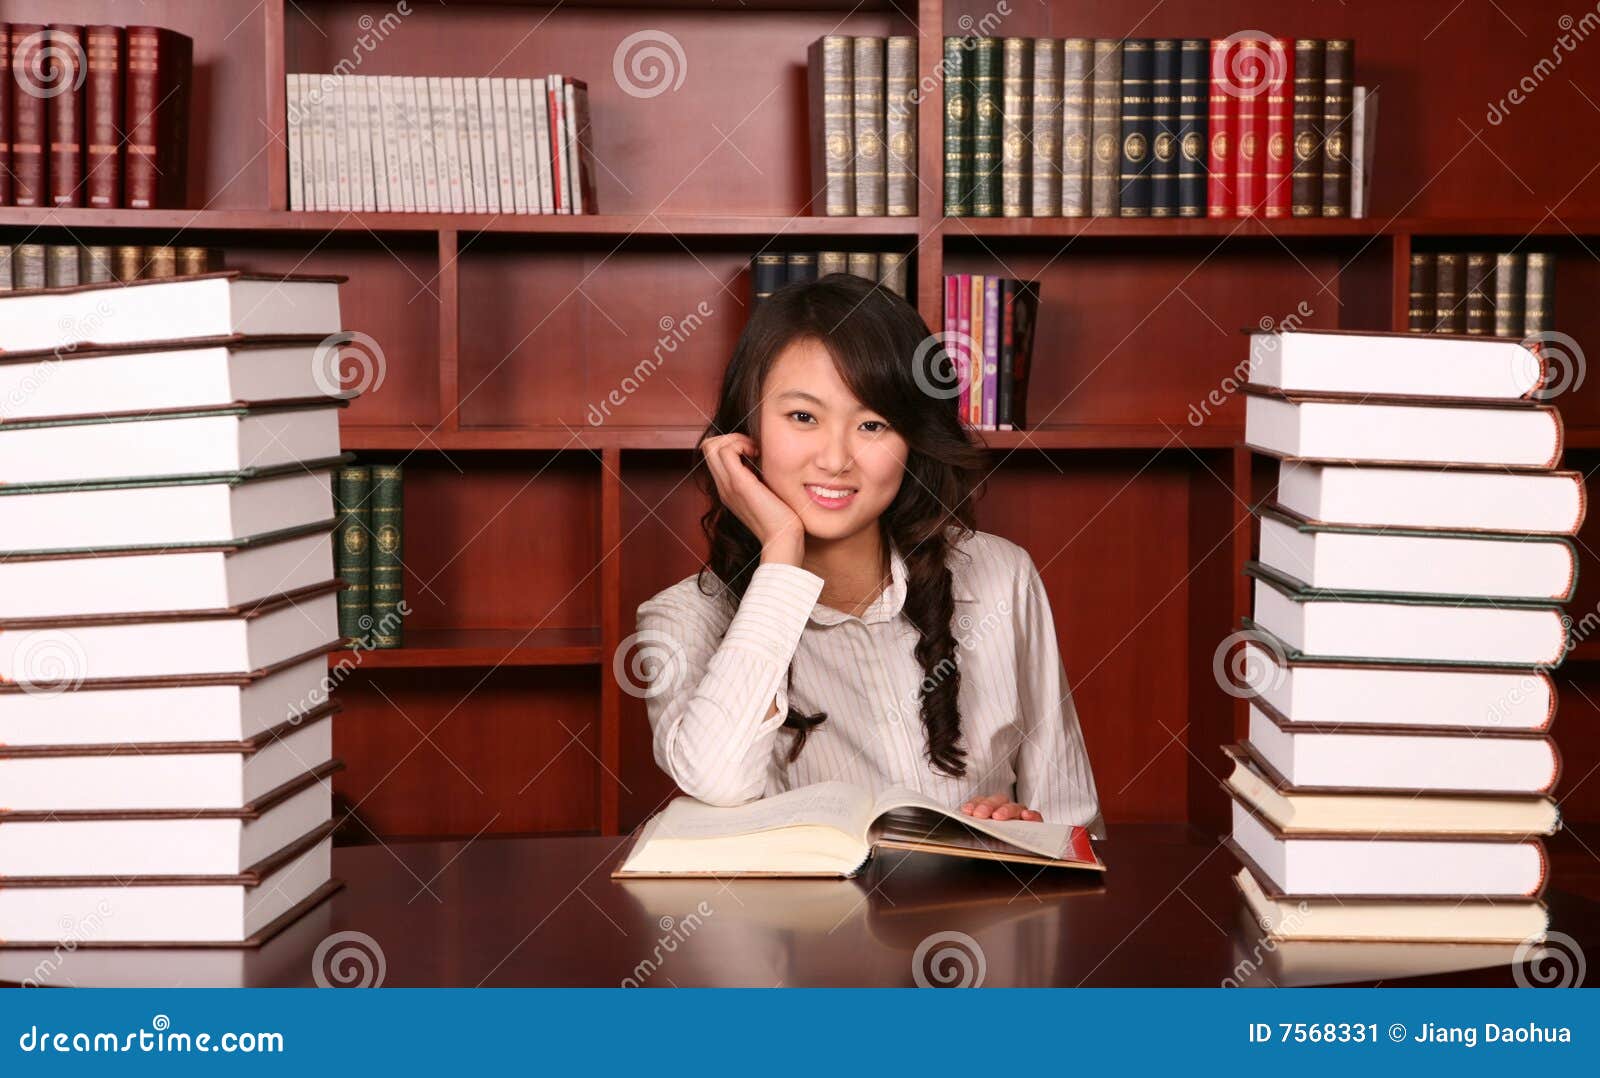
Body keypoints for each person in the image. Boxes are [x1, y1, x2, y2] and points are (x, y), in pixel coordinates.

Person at [633, 273, 1105, 838]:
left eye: (872, 424)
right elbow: (717, 779)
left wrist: (1026, 834)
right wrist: (782, 554)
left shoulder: (1002, 576)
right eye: (803, 417)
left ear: (911, 440)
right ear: (747, 430)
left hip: (974, 923)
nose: (835, 459)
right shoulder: (680, 619)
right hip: (796, 928)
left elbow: (1076, 826)